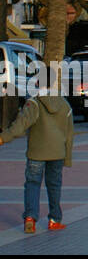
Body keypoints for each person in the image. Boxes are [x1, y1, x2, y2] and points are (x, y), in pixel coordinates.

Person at [0, 86, 75, 233]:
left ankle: (30, 217)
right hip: (58, 152)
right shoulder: (65, 104)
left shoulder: (34, 103)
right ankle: (54, 219)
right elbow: (69, 134)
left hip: (37, 152)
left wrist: (4, 137)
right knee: (54, 186)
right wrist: (67, 157)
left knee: (32, 184)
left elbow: (20, 125)